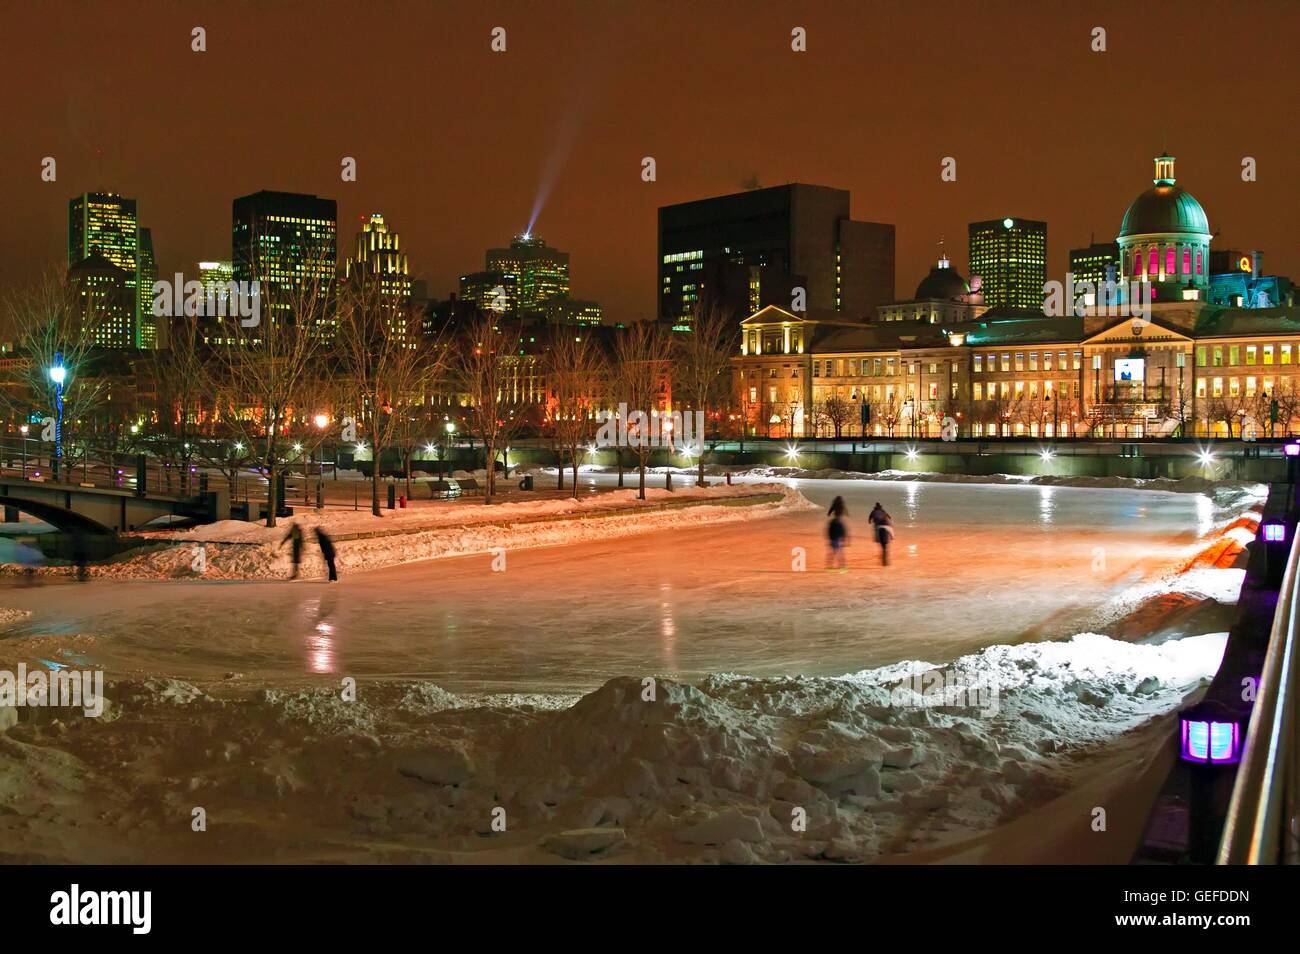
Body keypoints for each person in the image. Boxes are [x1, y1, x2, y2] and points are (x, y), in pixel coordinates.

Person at [826, 496, 848, 571]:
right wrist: (844, 539)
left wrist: (829, 513)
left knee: (832, 553)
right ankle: (842, 567)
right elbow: (843, 531)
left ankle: (829, 567)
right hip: (837, 539)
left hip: (833, 539)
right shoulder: (841, 504)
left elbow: (831, 508)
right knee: (840, 554)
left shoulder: (832, 522)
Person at [868, 501, 894, 566]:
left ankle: (883, 558)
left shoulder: (873, 511)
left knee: (882, 544)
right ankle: (884, 560)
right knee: (885, 547)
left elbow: (869, 518)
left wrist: (869, 522)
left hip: (878, 526)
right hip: (884, 528)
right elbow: (888, 516)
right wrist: (892, 537)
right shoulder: (882, 511)